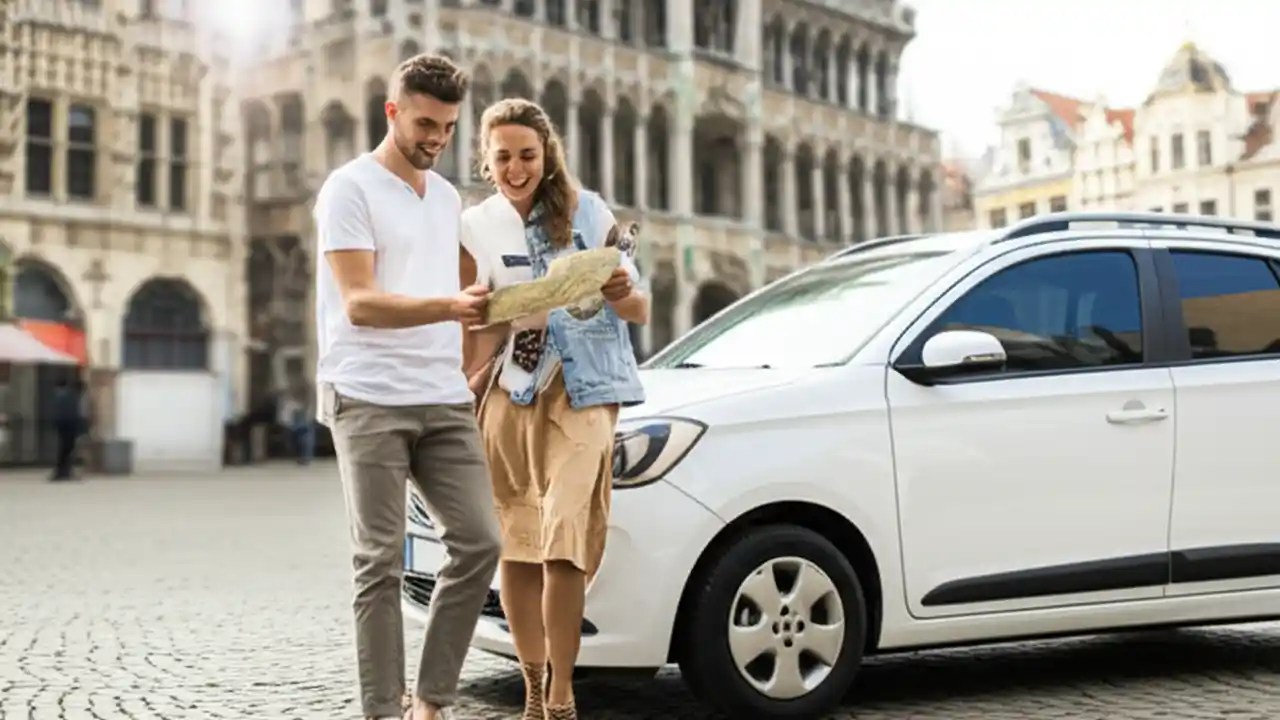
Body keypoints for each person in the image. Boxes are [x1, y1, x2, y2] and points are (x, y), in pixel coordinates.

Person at [311, 53, 501, 720]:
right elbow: (361, 302)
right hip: (366, 394)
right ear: (392, 112)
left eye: (448, 128)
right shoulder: (349, 190)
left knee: (480, 541)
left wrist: (474, 352)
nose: (436, 139)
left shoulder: (447, 197)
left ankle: (431, 701)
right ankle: (383, 712)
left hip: (442, 393)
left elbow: (467, 292)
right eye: (425, 124)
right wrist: (450, 308)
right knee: (380, 563)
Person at [460, 98, 648, 720]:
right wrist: (464, 371)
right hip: (510, 392)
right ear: (486, 162)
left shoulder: (589, 212)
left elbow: (639, 309)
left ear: (547, 156)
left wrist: (622, 290)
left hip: (584, 390)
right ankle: (534, 682)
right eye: (504, 157)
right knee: (517, 540)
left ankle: (563, 694)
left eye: (528, 156)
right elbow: (473, 330)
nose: (517, 168)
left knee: (564, 536)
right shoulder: (475, 226)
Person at [49, 376, 83, 481]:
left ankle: (61, 472)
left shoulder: (61, 397)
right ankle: (64, 471)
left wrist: (55, 425)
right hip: (70, 426)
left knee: (64, 450)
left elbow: (59, 414)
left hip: (65, 426)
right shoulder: (71, 397)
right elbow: (74, 413)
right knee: (67, 450)